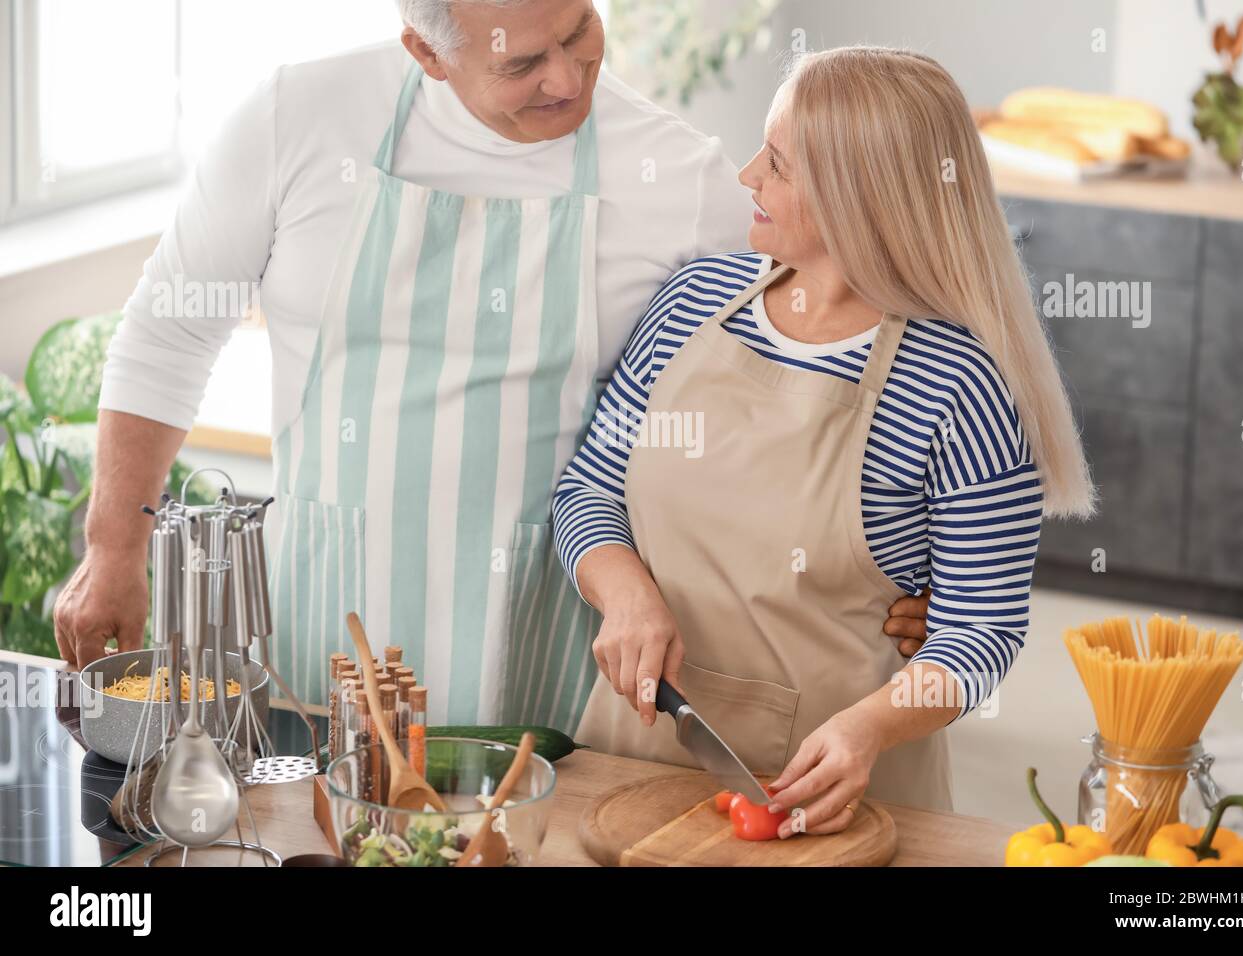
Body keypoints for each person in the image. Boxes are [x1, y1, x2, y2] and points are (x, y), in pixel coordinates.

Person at [53, 4, 930, 732]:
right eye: (522, 65)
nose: (567, 76)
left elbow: (827, 365)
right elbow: (170, 336)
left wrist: (906, 562)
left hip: (548, 656)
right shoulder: (300, 117)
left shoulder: (681, 177)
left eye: (579, 31)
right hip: (317, 641)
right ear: (426, 53)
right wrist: (112, 547)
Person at [554, 46, 1095, 825]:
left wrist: (870, 728)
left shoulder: (961, 384)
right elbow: (590, 488)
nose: (747, 177)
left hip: (839, 788)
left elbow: (981, 626)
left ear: (856, 195)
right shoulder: (691, 302)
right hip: (631, 748)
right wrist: (625, 594)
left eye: (776, 163)